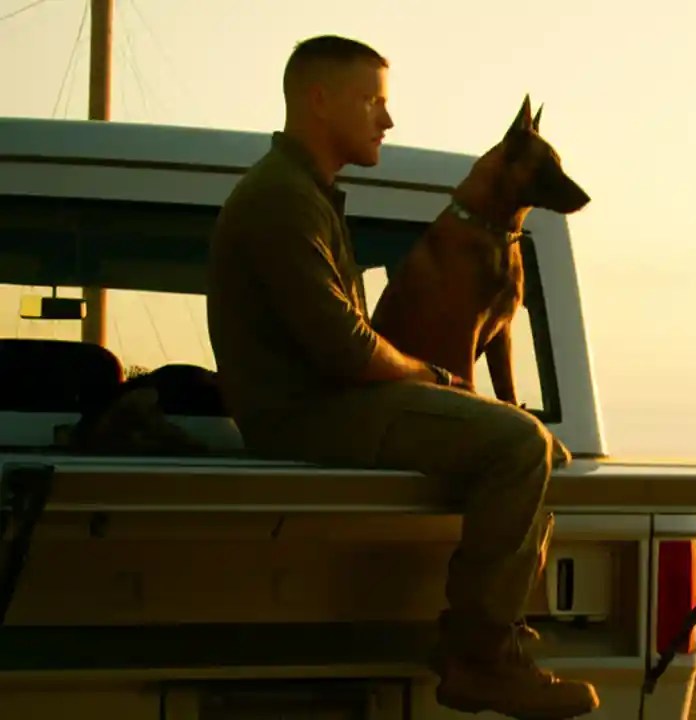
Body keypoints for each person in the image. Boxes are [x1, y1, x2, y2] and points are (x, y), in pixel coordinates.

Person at [205, 35, 600, 719]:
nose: (387, 120)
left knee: (531, 441)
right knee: (518, 444)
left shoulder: (305, 193)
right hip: (307, 414)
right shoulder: (281, 200)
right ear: (319, 101)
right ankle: (481, 660)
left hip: (323, 403)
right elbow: (347, 351)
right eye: (373, 102)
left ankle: (489, 639)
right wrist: (431, 376)